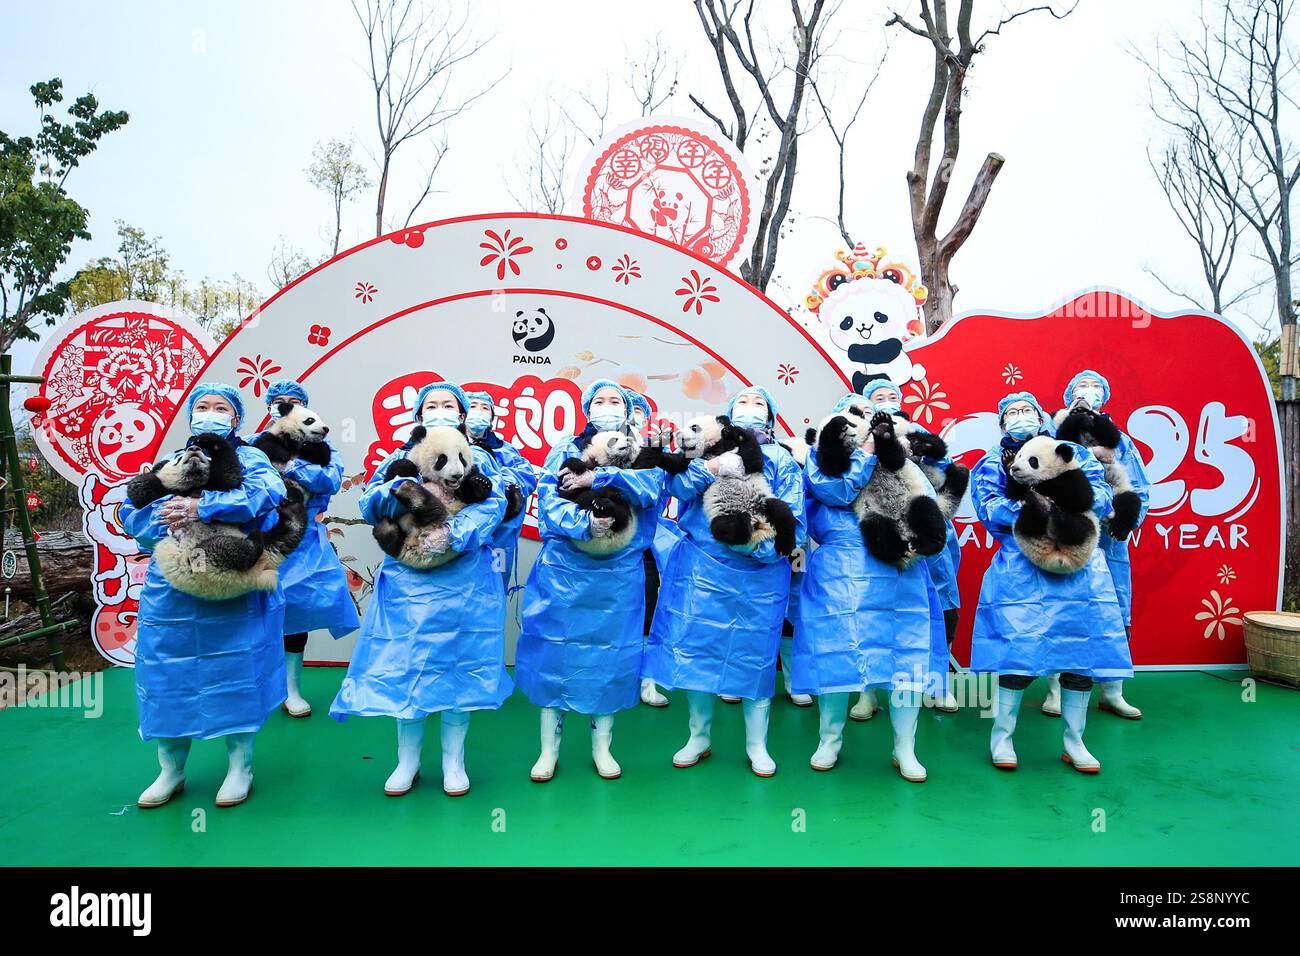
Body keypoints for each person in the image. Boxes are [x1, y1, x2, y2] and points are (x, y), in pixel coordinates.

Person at [330, 382, 511, 797]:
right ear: (418, 416)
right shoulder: (400, 457)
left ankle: (454, 762)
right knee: (406, 668)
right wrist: (404, 492)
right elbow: (370, 502)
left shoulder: (479, 457)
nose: (441, 410)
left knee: (458, 670)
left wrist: (453, 532)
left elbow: (494, 504)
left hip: (464, 582)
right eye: (432, 405)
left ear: (463, 415)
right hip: (408, 586)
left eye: (449, 404)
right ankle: (406, 762)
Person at [120, 382, 288, 809]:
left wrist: (203, 507)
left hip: (230, 585)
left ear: (236, 419)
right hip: (172, 588)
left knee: (236, 673)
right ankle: (170, 771)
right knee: (166, 675)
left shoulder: (252, 459)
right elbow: (132, 512)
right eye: (202, 406)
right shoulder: (175, 461)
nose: (210, 413)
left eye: (220, 408)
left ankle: (240, 766)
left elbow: (266, 494)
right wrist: (164, 519)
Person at [644, 385, 806, 777]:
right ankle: (698, 736)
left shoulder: (781, 460)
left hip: (760, 578)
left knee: (755, 659)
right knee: (699, 654)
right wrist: (713, 466)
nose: (750, 408)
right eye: (742, 403)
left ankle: (757, 745)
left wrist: (756, 548)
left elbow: (794, 521)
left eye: (758, 404)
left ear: (770, 417)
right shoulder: (708, 449)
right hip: (703, 570)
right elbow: (679, 488)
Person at [970, 392, 1131, 773]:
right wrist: (1038, 512)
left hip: (1079, 573)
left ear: (1041, 416)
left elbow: (1102, 496)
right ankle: (1002, 738)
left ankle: (1075, 743)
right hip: (1021, 571)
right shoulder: (993, 461)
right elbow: (989, 508)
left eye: (1027, 410)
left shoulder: (1071, 452)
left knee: (1081, 658)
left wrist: (1064, 508)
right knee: (1018, 657)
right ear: (1001, 422)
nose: (1021, 416)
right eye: (1012, 412)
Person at [791, 392, 947, 782]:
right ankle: (830, 739)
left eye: (869, 415)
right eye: (854, 414)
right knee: (835, 655)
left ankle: (905, 748)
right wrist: (866, 453)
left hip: (899, 571)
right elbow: (834, 491)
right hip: (840, 574)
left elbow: (924, 502)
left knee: (905, 659)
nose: (865, 422)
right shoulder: (822, 458)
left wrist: (890, 451)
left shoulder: (899, 457)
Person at [516, 380, 667, 781]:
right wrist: (585, 525)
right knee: (555, 660)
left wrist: (596, 481)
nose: (606, 406)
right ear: (587, 408)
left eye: (614, 401)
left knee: (609, 661)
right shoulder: (566, 448)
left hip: (617, 575)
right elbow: (548, 500)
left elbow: (652, 490)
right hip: (565, 572)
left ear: (628, 409)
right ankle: (548, 751)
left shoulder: (642, 453)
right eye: (598, 400)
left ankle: (603, 748)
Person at [249, 380, 360, 718]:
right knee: (253, 613)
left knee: (295, 616)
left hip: (304, 542)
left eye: (295, 402)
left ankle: (290, 689)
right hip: (260, 537)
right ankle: (255, 689)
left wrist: (290, 465)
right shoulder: (254, 445)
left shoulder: (322, 445)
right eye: (280, 402)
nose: (287, 406)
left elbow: (329, 480)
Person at [1059, 370, 1150, 720]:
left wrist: (1124, 520)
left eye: (1096, 386)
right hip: (1069, 538)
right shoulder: (1059, 435)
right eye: (1082, 386)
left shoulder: (1120, 441)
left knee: (1114, 610)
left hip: (1109, 543)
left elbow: (1138, 487)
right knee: (1063, 610)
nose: (1089, 392)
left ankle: (1113, 690)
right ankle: (1057, 689)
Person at [463, 389, 538, 588]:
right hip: (460, 532)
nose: (479, 411)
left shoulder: (505, 450)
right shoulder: (447, 445)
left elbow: (526, 476)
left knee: (492, 589)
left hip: (498, 538)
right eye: (473, 406)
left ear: (491, 418)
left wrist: (493, 481)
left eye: (485, 408)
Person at [627, 389, 672, 709]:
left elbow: (658, 495)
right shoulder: (594, 448)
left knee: (647, 607)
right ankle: (614, 677)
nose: (633, 416)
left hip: (640, 546)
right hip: (596, 549)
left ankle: (647, 680)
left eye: (638, 411)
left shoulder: (653, 451)